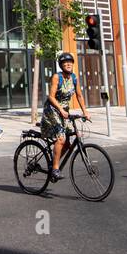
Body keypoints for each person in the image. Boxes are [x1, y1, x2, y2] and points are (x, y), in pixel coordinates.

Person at [40, 52, 88, 181]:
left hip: (64, 111)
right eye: (65, 63)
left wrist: (85, 112)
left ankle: (53, 162)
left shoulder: (74, 78)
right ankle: (55, 169)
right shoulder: (57, 77)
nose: (68, 64)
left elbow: (79, 95)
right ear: (61, 65)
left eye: (70, 62)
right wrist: (60, 109)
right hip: (52, 110)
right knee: (61, 138)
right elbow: (50, 96)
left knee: (67, 143)